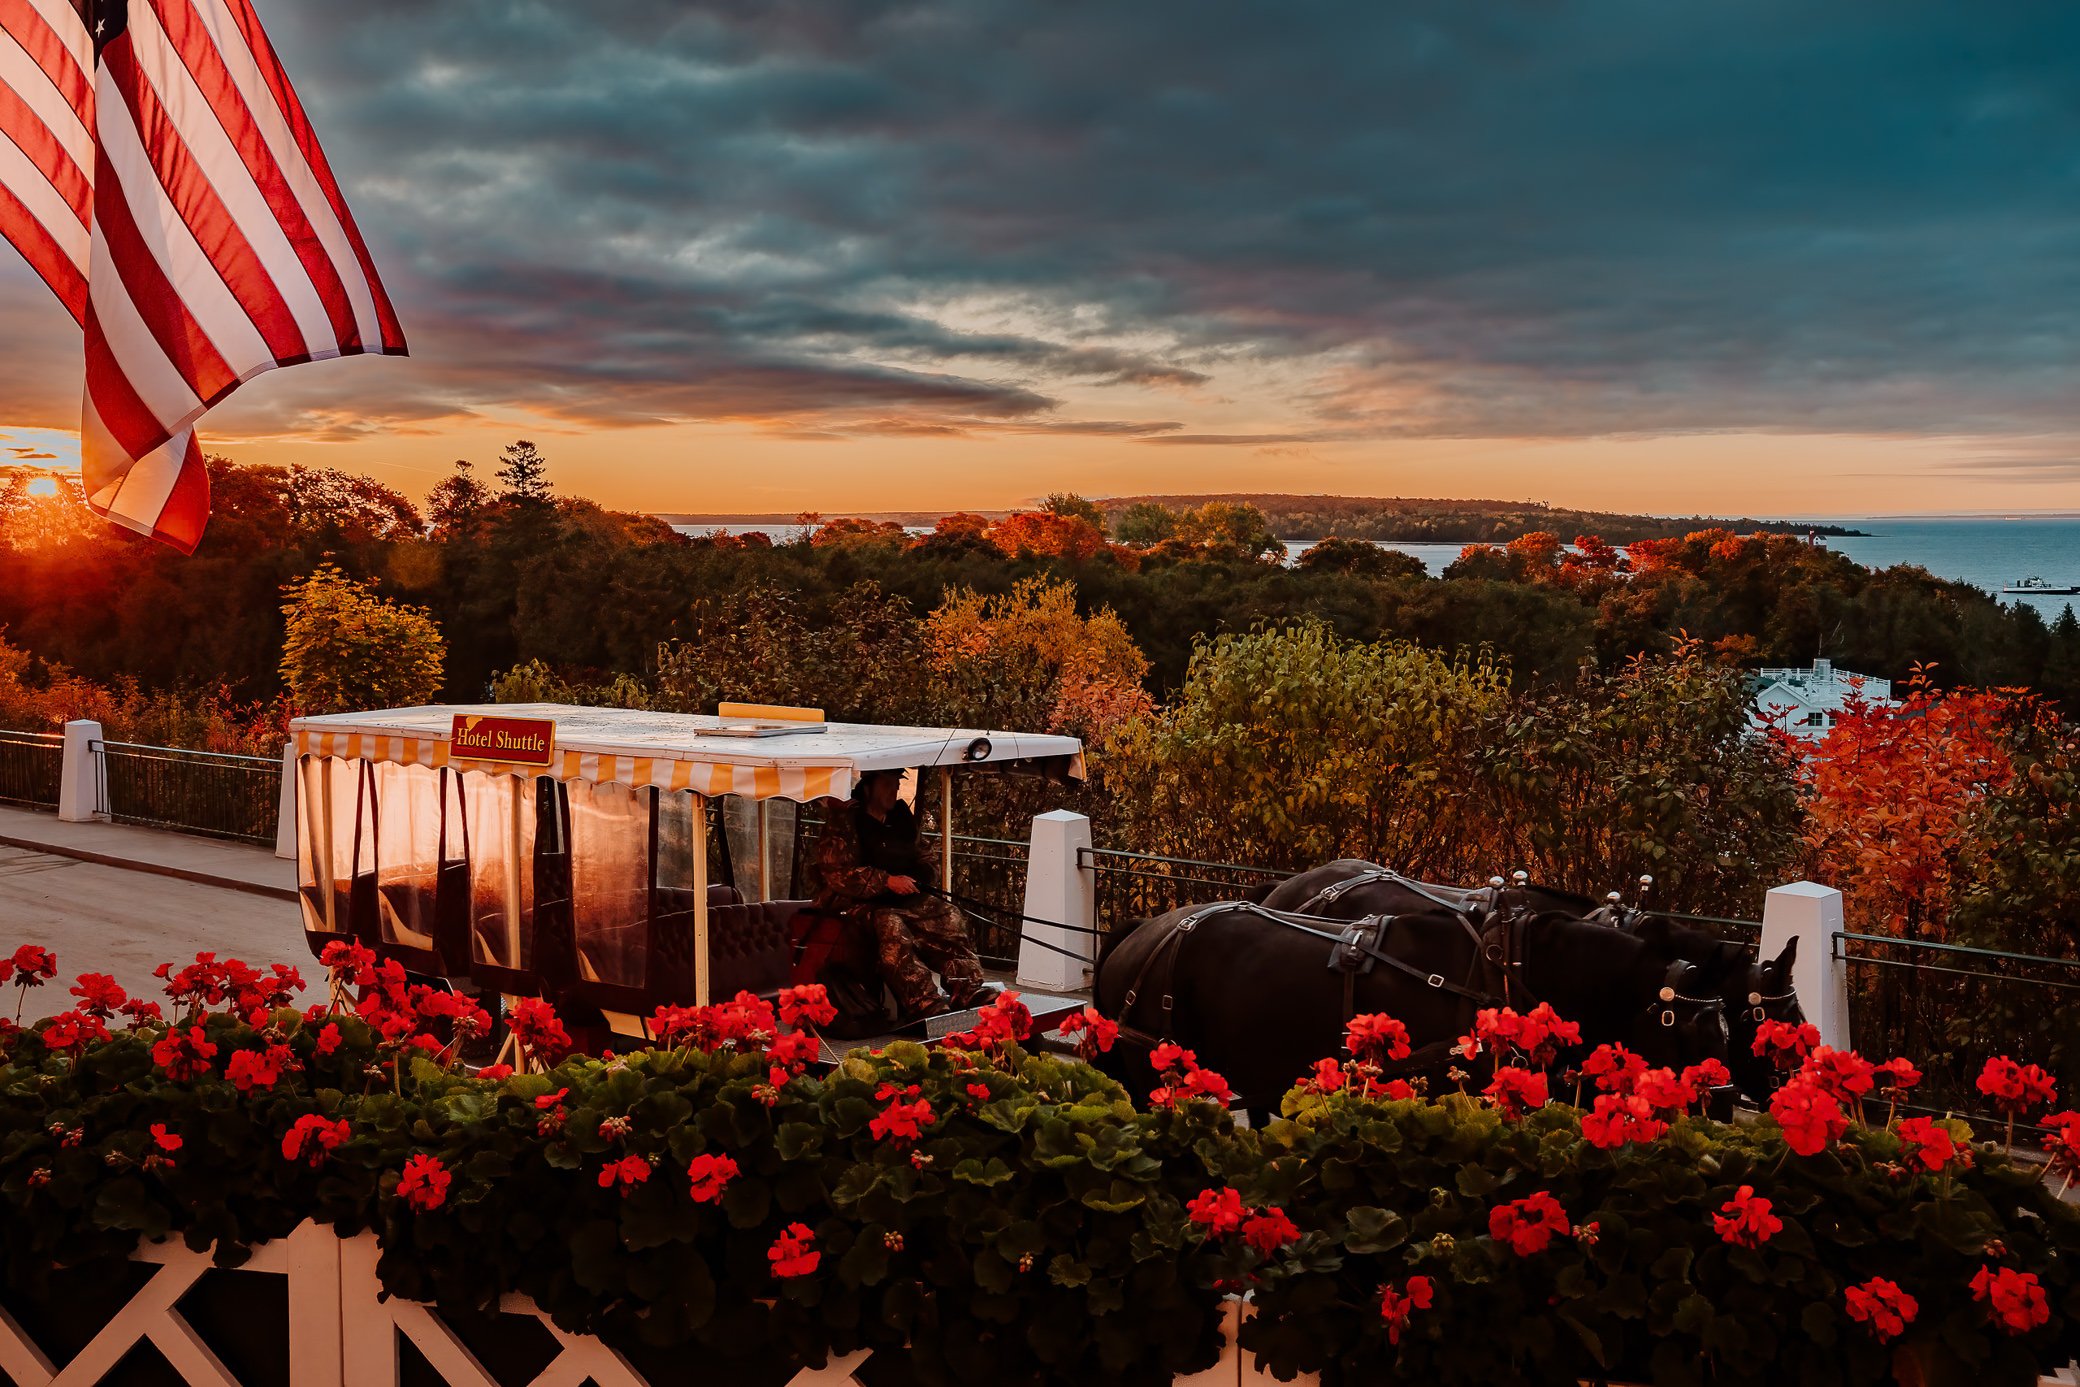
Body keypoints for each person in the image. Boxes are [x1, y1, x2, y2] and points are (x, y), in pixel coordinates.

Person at [812, 769, 993, 1020]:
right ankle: (923, 999)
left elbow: (925, 855)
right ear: (868, 788)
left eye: (896, 784)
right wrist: (886, 881)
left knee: (949, 916)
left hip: (904, 898)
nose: (893, 790)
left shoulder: (900, 818)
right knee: (892, 927)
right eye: (887, 784)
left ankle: (965, 987)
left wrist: (922, 876)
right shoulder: (845, 821)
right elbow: (837, 873)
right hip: (858, 905)